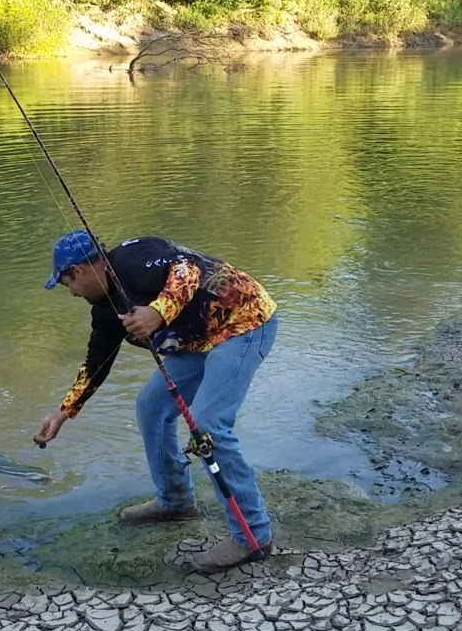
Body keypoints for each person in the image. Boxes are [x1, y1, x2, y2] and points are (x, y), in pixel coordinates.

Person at [33, 229, 279, 574]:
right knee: (151, 407)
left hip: (244, 322)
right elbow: (95, 364)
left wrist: (157, 312)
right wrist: (64, 412)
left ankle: (252, 535)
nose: (72, 293)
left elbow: (187, 268)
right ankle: (176, 501)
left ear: (79, 271)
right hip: (195, 342)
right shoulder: (105, 313)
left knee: (208, 423)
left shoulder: (136, 257)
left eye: (67, 284)